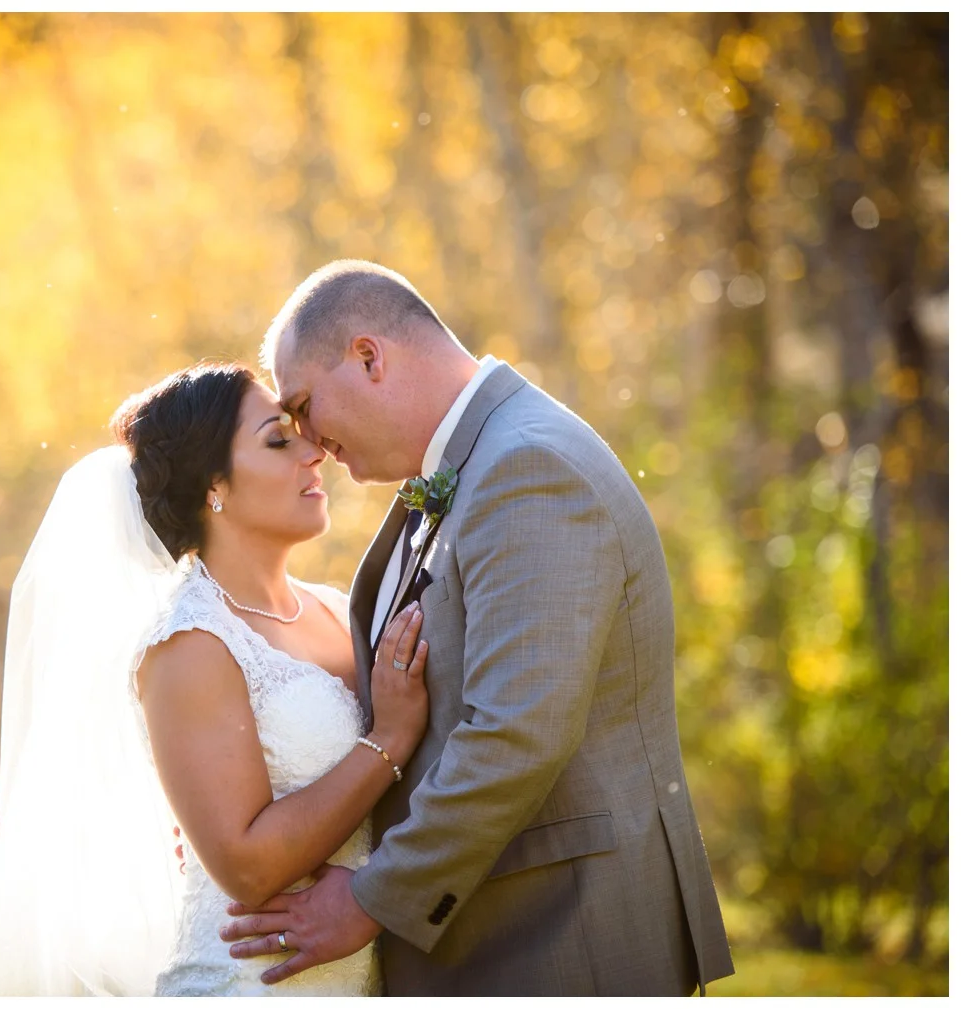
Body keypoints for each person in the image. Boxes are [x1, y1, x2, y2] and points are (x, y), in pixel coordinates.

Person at [219, 260, 735, 996]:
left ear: (369, 357)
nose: (311, 440)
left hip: (561, 938)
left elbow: (517, 732)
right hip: (505, 932)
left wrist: (371, 898)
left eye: (304, 406)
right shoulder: (475, 464)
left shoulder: (527, 467)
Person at [0, 362, 430, 995]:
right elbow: (247, 867)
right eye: (279, 440)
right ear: (214, 485)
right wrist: (388, 742)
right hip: (248, 983)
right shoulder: (188, 644)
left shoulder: (338, 608)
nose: (315, 453)